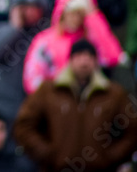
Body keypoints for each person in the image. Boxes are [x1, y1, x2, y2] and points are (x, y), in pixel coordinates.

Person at [14, 39, 137, 172]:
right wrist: (47, 153)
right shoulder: (49, 91)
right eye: (79, 56)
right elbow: (24, 125)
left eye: (89, 56)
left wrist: (110, 157)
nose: (84, 62)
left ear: (96, 61)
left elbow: (132, 130)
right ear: (70, 60)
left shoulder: (113, 93)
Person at [22, 0, 123, 94]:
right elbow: (32, 79)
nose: (76, 18)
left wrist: (93, 16)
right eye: (72, 12)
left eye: (80, 13)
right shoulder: (45, 41)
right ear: (63, 11)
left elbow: (112, 58)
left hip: (87, 101)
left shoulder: (90, 39)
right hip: (55, 102)